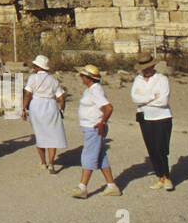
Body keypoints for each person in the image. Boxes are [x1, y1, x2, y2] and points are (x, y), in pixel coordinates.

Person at [72, 64, 121, 198]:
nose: (81, 78)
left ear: (88, 77)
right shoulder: (90, 89)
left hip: (94, 127)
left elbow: (109, 108)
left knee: (88, 155)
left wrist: (102, 122)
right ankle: (111, 186)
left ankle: (83, 187)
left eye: (83, 75)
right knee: (100, 155)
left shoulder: (95, 90)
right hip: (89, 127)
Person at [131, 54, 174, 191]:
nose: (146, 71)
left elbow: (163, 101)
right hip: (145, 118)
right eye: (144, 69)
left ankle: (166, 176)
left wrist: (144, 99)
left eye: (148, 68)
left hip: (162, 118)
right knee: (152, 149)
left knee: (161, 148)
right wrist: (152, 96)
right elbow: (135, 98)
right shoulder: (138, 80)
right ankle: (160, 176)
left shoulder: (162, 79)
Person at [20, 54, 66, 173]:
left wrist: (23, 108)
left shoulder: (32, 78)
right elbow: (61, 98)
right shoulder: (53, 80)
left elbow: (28, 95)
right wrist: (61, 110)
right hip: (51, 106)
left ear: (37, 66)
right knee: (52, 135)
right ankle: (51, 163)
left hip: (36, 106)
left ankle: (43, 162)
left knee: (40, 135)